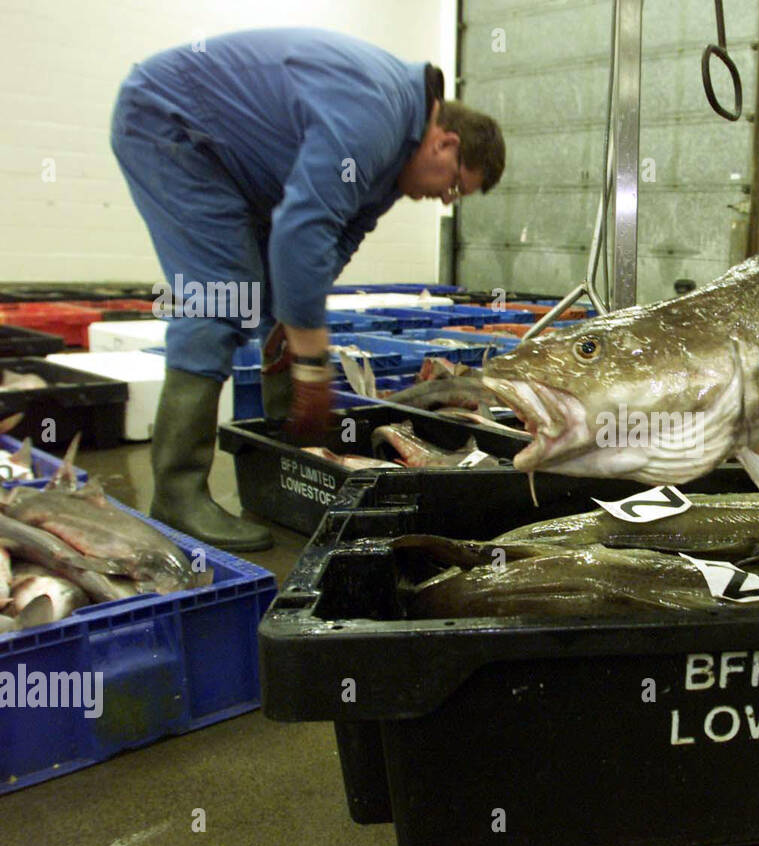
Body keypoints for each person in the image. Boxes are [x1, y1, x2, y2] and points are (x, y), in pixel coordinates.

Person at [110, 27, 505, 550]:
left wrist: (289, 326)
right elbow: (302, 232)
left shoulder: (394, 159)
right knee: (223, 295)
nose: (446, 201)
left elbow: (334, 243)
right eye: (454, 185)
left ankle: (287, 440)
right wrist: (313, 367)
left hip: (236, 164)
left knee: (275, 298)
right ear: (445, 142)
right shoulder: (377, 118)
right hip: (173, 125)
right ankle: (177, 493)